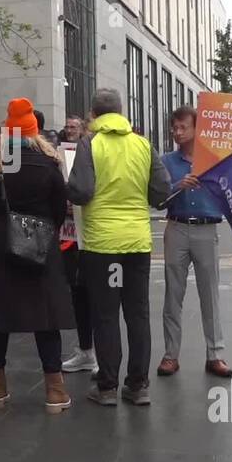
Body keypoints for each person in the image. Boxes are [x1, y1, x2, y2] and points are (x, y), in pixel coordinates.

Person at [67, 89, 170, 406]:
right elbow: (161, 193)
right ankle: (138, 385)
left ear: (93, 115)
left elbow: (81, 192)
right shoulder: (142, 144)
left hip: (102, 247)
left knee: (106, 315)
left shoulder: (90, 144)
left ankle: (107, 386)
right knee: (138, 314)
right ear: (121, 112)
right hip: (137, 244)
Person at [0, 99, 75, 413]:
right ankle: (55, 392)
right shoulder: (49, 164)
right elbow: (60, 210)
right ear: (34, 131)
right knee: (46, 319)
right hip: (40, 247)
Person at [157, 106, 232, 380]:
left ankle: (215, 354)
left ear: (197, 129)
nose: (177, 132)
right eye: (174, 127)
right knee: (173, 295)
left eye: (183, 127)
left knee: (210, 295)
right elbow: (156, 200)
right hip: (177, 227)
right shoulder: (166, 161)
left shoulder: (217, 160)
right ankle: (171, 355)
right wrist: (177, 186)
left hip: (207, 230)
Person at [58, 115, 96, 376]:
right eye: (67, 127)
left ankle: (96, 353)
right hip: (69, 236)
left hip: (92, 234)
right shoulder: (59, 155)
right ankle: (86, 350)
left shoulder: (92, 153)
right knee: (77, 292)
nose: (69, 130)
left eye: (74, 127)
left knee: (94, 295)